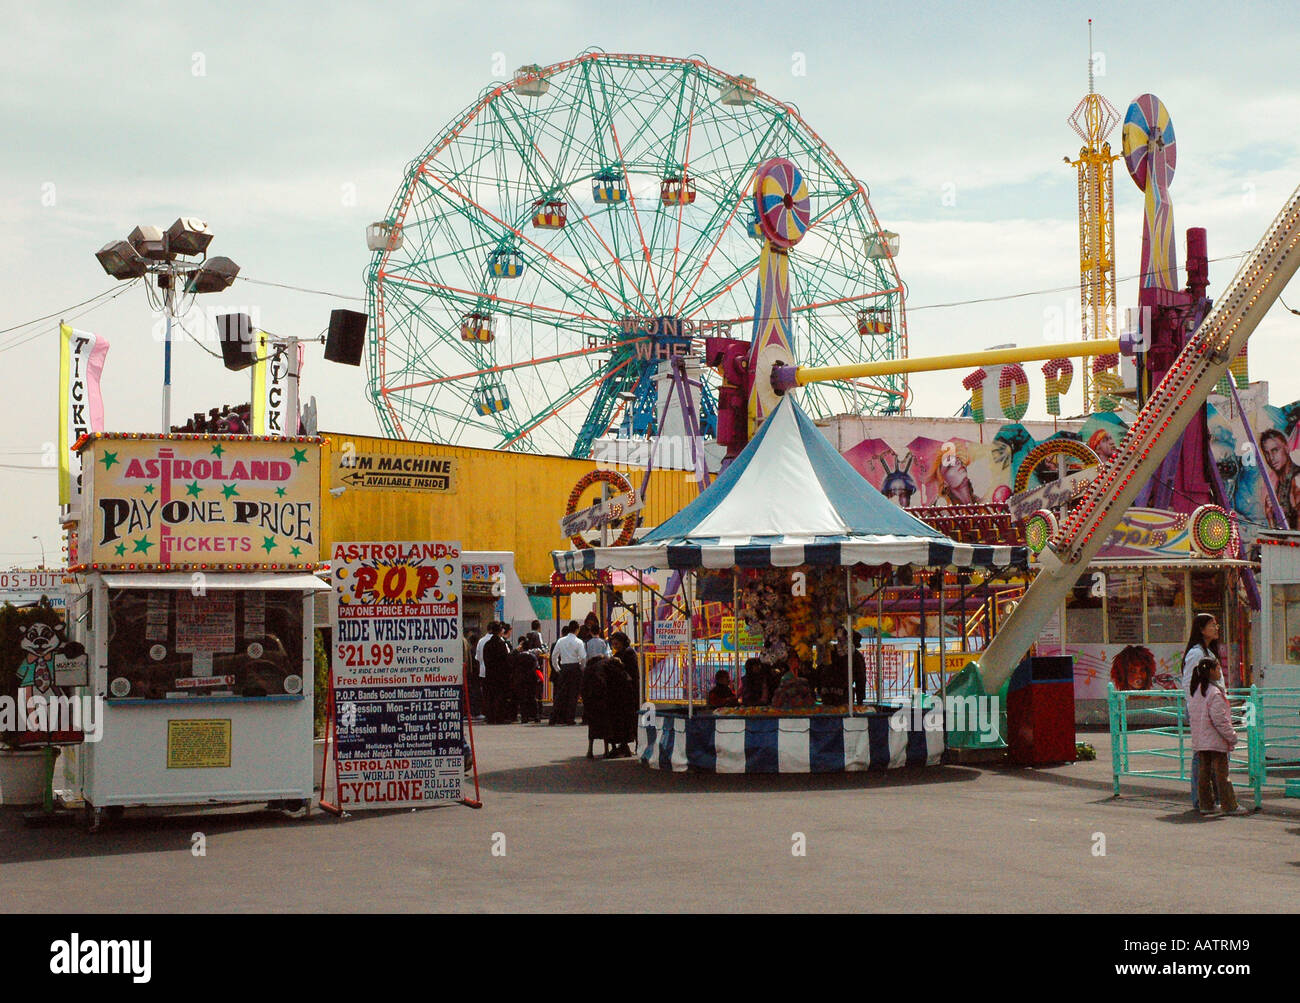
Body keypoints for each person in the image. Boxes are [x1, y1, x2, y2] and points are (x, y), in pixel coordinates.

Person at [1188, 658, 1247, 816]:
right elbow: (1220, 720)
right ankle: (1229, 805)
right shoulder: (1214, 693)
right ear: (1212, 671)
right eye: (1218, 668)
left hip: (1201, 739)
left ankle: (1205, 804)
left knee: (1204, 773)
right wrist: (1232, 736)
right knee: (1222, 774)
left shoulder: (1196, 691)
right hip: (1215, 739)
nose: (1220, 671)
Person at [1183, 613, 1224, 810]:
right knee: (1203, 754)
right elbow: (1189, 685)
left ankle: (1211, 799)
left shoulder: (1208, 651)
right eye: (1211, 625)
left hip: (1210, 708)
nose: (1216, 628)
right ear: (1201, 629)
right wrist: (1197, 710)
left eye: (1216, 624)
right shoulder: (1197, 654)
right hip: (1203, 710)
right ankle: (1202, 799)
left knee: (1212, 753)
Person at [605, 633, 639, 757]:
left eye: (616, 644)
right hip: (620, 693)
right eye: (613, 644)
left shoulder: (629, 654)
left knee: (629, 720)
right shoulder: (619, 654)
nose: (615, 646)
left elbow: (631, 674)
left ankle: (629, 745)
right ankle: (623, 745)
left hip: (629, 693)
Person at [1260, 428, 1300, 528]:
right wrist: (1270, 516)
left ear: (1286, 448)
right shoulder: (1280, 484)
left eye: (1275, 450)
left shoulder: (1297, 480)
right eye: (1267, 453)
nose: (1271, 458)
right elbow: (1281, 535)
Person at [549, 622, 586, 726]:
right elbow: (583, 657)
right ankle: (569, 718)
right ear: (577, 629)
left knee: (560, 695)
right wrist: (582, 667)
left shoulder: (560, 641)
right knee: (573, 695)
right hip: (575, 667)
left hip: (564, 668)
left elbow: (554, 656)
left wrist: (558, 668)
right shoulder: (579, 642)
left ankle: (553, 718)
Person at [481, 622, 512, 724]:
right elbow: (506, 661)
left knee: (490, 697)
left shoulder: (487, 644)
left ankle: (490, 717)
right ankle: (499, 717)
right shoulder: (501, 644)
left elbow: (485, 660)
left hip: (489, 674)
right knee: (500, 697)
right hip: (500, 676)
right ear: (500, 631)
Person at [581, 654, 610, 758]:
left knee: (592, 726)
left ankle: (590, 750)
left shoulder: (588, 670)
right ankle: (606, 750)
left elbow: (583, 687)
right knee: (605, 725)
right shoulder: (604, 667)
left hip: (590, 701)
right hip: (602, 700)